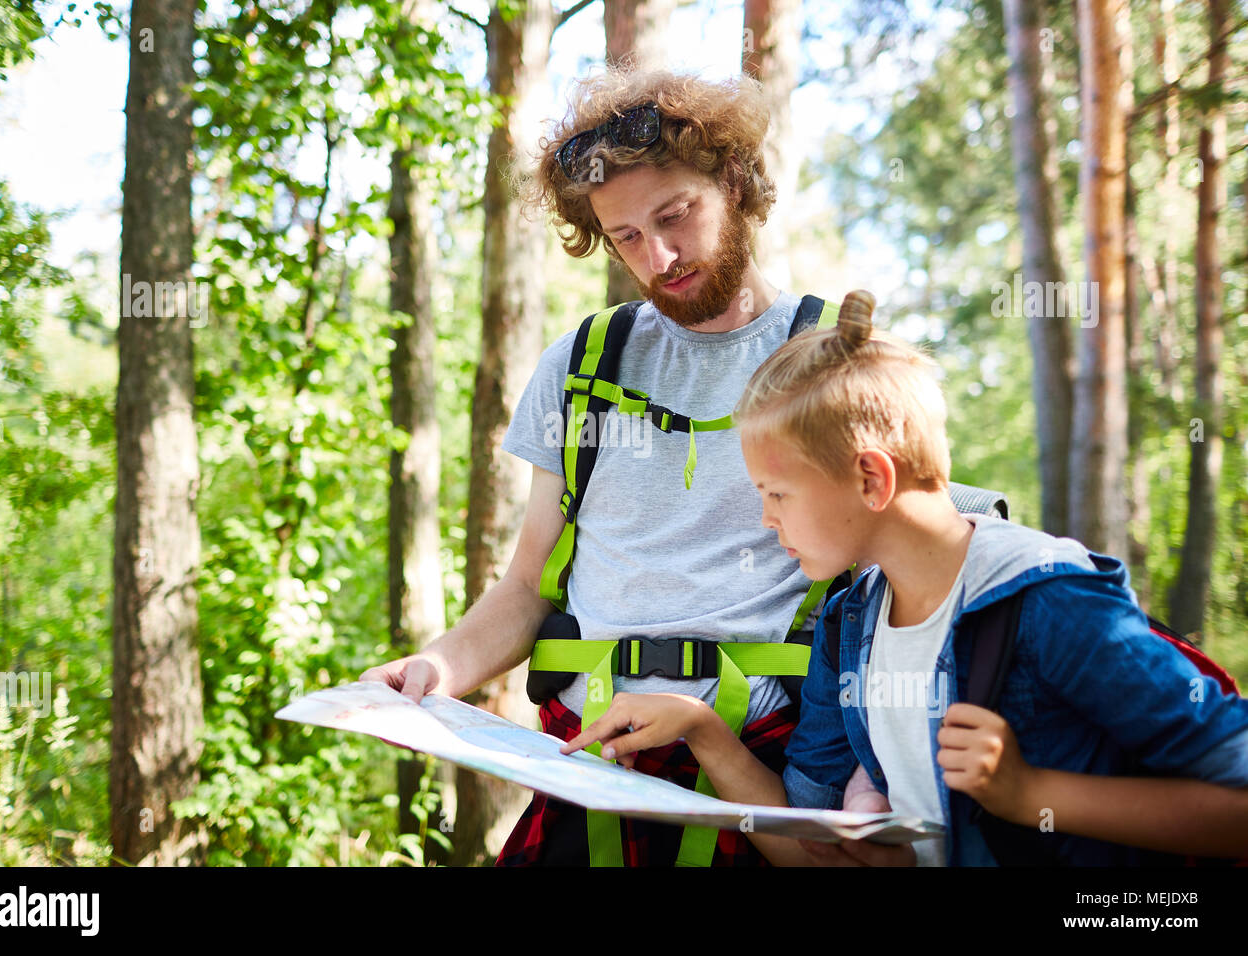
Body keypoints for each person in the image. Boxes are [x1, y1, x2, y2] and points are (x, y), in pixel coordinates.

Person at [563, 291, 1248, 866]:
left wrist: (1028, 791)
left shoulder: (1051, 603)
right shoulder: (850, 621)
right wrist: (702, 728)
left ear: (870, 478)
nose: (766, 521)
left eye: (777, 494)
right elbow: (806, 847)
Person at [362, 69, 841, 866]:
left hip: (762, 780)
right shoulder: (586, 362)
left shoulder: (830, 362)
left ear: (731, 180)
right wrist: (434, 667)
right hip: (590, 778)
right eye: (625, 237)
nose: (657, 257)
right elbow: (526, 588)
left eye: (675, 215)